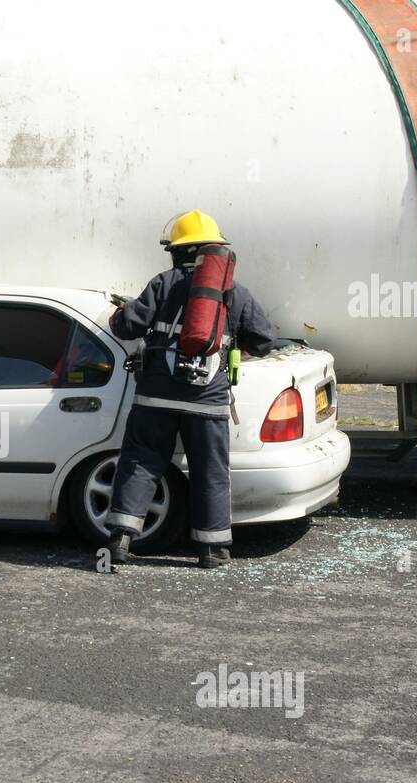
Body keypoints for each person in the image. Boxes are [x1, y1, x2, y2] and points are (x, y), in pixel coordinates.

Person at [106, 210, 276, 568]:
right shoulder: (234, 292)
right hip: (208, 402)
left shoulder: (163, 283)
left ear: (177, 251)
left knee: (141, 462)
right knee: (210, 472)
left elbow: (127, 326)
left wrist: (120, 313)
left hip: (155, 397)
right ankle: (212, 550)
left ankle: (120, 541)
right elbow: (264, 341)